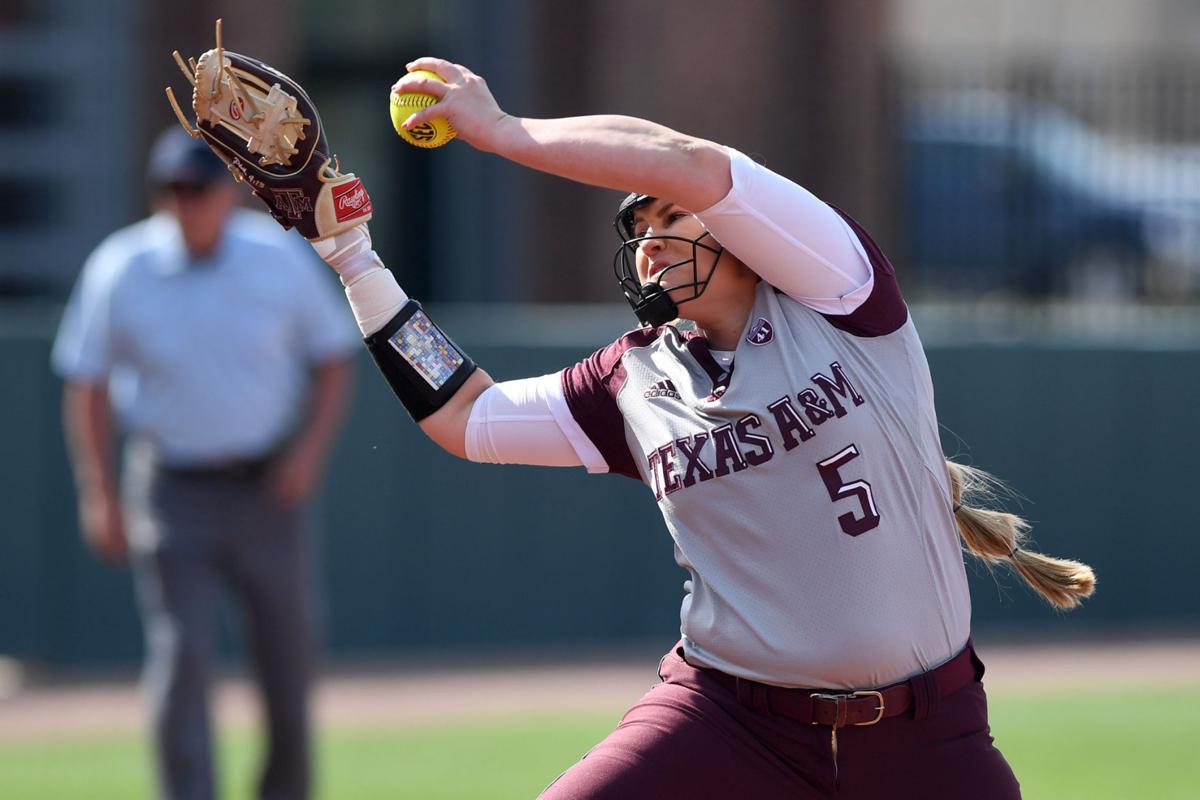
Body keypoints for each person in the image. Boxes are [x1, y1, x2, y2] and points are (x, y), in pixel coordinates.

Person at [300, 59, 1093, 799]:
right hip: (728, 721)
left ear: (739, 235)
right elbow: (466, 416)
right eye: (636, 232)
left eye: (668, 216)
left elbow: (689, 160)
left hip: (925, 738)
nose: (648, 244)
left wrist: (502, 130)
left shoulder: (839, 297)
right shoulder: (631, 379)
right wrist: (356, 262)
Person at [52, 127, 359, 800]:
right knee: (181, 654)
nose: (184, 203)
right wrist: (97, 491)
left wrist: (308, 455)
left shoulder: (276, 258)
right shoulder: (122, 265)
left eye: (196, 189)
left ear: (228, 194)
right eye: (171, 190)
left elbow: (334, 357)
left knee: (287, 660)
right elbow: (88, 380)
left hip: (266, 487)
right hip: (171, 488)